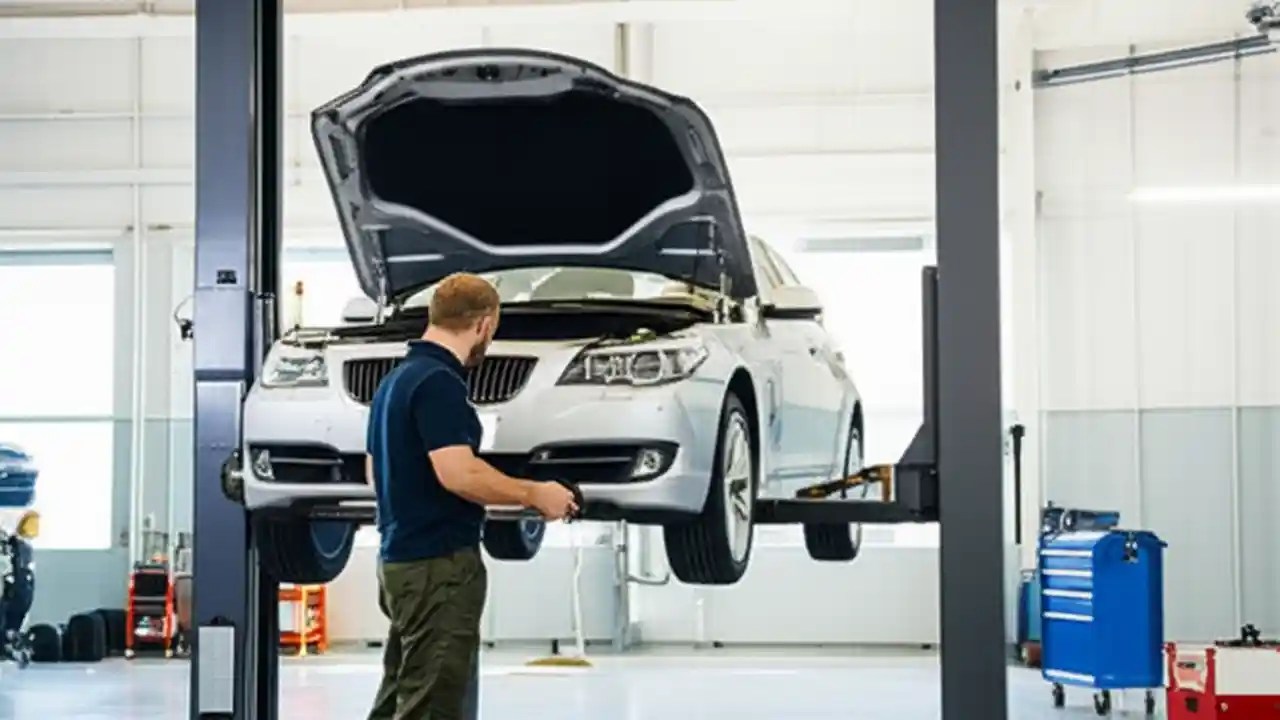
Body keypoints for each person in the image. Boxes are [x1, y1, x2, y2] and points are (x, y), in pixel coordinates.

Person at [365, 272, 579, 720]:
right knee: (434, 707)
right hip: (438, 566)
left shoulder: (394, 383)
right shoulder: (439, 383)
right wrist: (534, 493)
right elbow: (458, 473)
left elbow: (374, 470)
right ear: (484, 324)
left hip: (399, 560)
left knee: (399, 699)